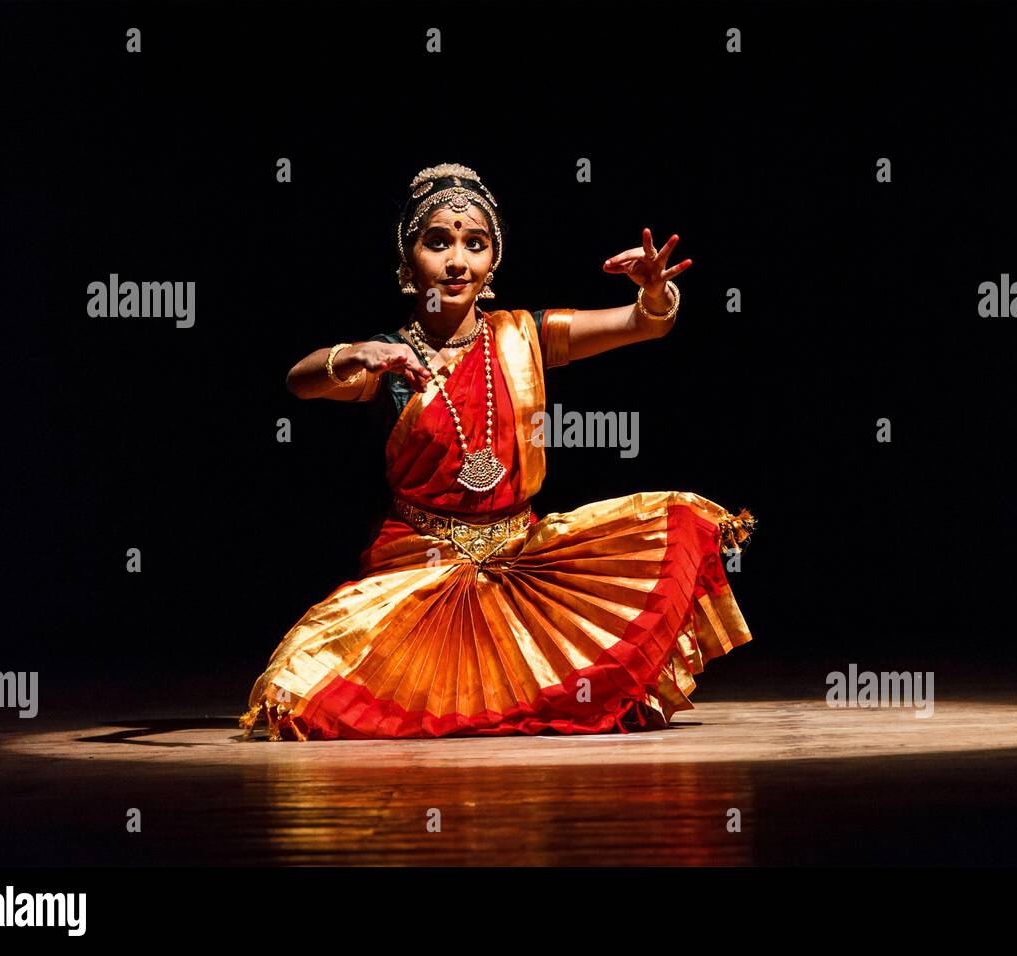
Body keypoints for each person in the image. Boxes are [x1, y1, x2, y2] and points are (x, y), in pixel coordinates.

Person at [238, 162, 755, 740]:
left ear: (493, 261)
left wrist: (655, 292)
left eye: (474, 244)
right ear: (408, 261)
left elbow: (643, 325)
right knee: (299, 691)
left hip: (523, 559)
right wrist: (355, 355)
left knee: (680, 522)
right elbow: (298, 381)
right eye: (438, 242)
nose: (457, 260)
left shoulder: (525, 335)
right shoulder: (387, 360)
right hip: (418, 566)